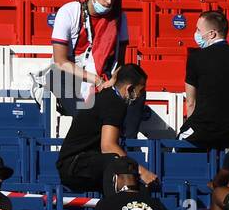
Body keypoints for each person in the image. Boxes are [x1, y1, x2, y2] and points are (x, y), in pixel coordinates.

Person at [56, 64, 157, 196]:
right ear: (129, 89)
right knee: (118, 163)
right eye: (141, 90)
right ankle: (114, 209)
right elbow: (108, 146)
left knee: (129, 177)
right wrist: (142, 172)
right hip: (75, 166)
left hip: (76, 164)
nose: (141, 95)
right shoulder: (115, 103)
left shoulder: (108, 96)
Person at [48, 0, 134, 121]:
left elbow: (120, 61)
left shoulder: (119, 18)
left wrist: (113, 80)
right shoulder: (69, 12)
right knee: (86, 115)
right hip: (70, 74)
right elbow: (60, 61)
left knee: (135, 92)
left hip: (104, 75)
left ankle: (125, 141)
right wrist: (95, 80)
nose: (109, 1)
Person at [180, 11, 229, 152]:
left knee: (172, 153)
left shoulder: (196, 58)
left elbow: (191, 103)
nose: (196, 33)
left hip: (202, 131)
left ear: (211, 34)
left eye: (198, 30)